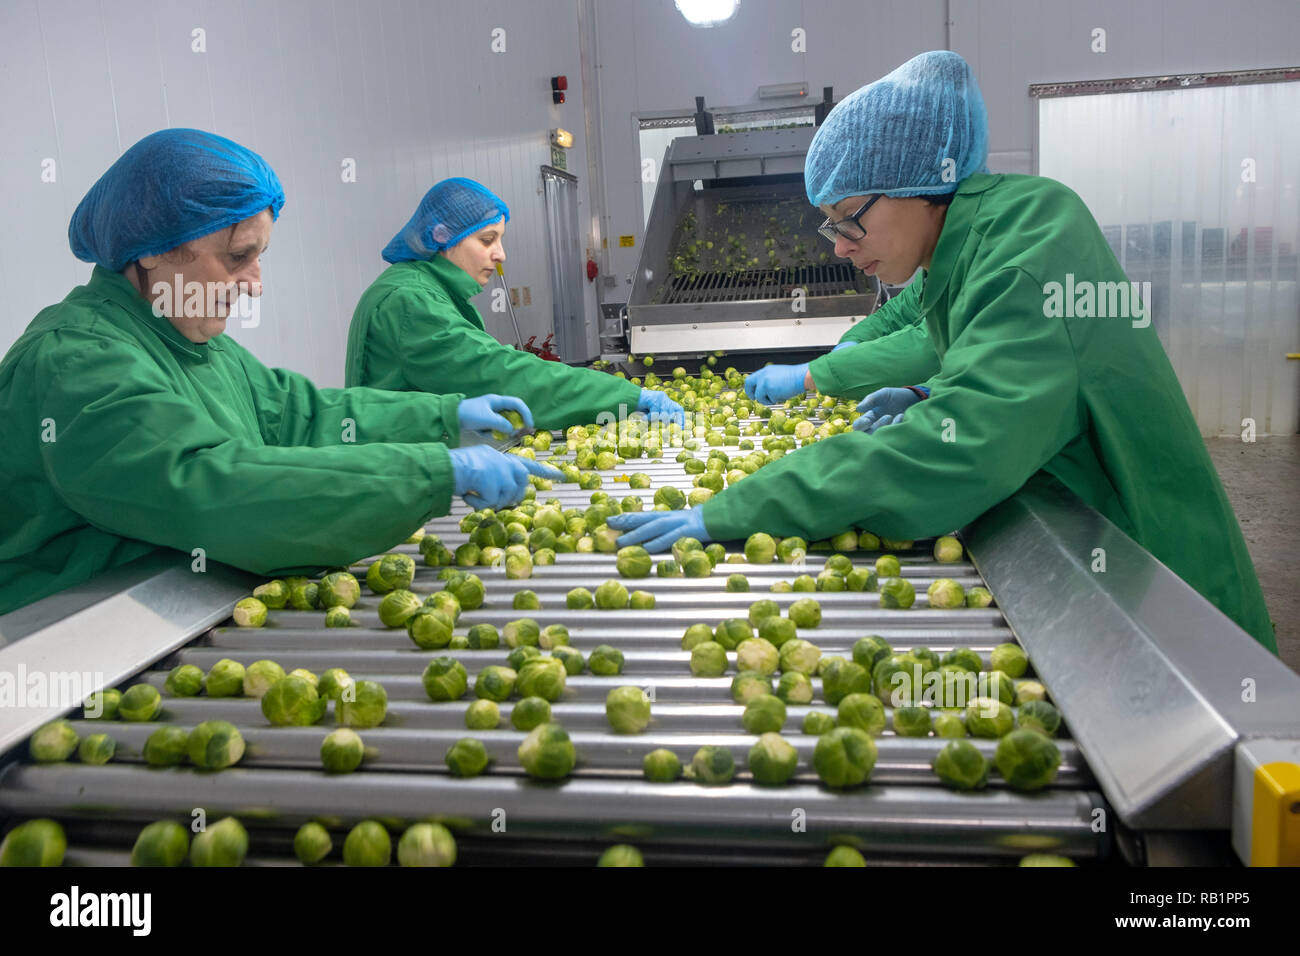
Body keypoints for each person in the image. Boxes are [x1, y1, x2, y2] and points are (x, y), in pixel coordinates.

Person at [610, 51, 1276, 652]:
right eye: (829, 224)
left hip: (1166, 595)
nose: (838, 245)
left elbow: (956, 452)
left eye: (849, 218)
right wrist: (931, 394)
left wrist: (733, 509)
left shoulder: (1029, 247)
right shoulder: (977, 242)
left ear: (920, 183)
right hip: (1094, 557)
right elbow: (1000, 365)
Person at [0, 129, 558, 617]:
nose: (255, 284)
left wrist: (444, 418)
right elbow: (209, 486)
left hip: (175, 611)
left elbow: (301, 415)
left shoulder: (189, 339)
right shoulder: (75, 362)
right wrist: (433, 473)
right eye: (238, 256)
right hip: (62, 653)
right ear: (153, 252)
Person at [345, 178, 684, 430]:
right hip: (401, 473)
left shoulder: (425, 289)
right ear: (442, 235)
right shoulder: (409, 302)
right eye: (487, 240)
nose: (500, 254)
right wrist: (623, 396)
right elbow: (498, 373)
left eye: (500, 240)